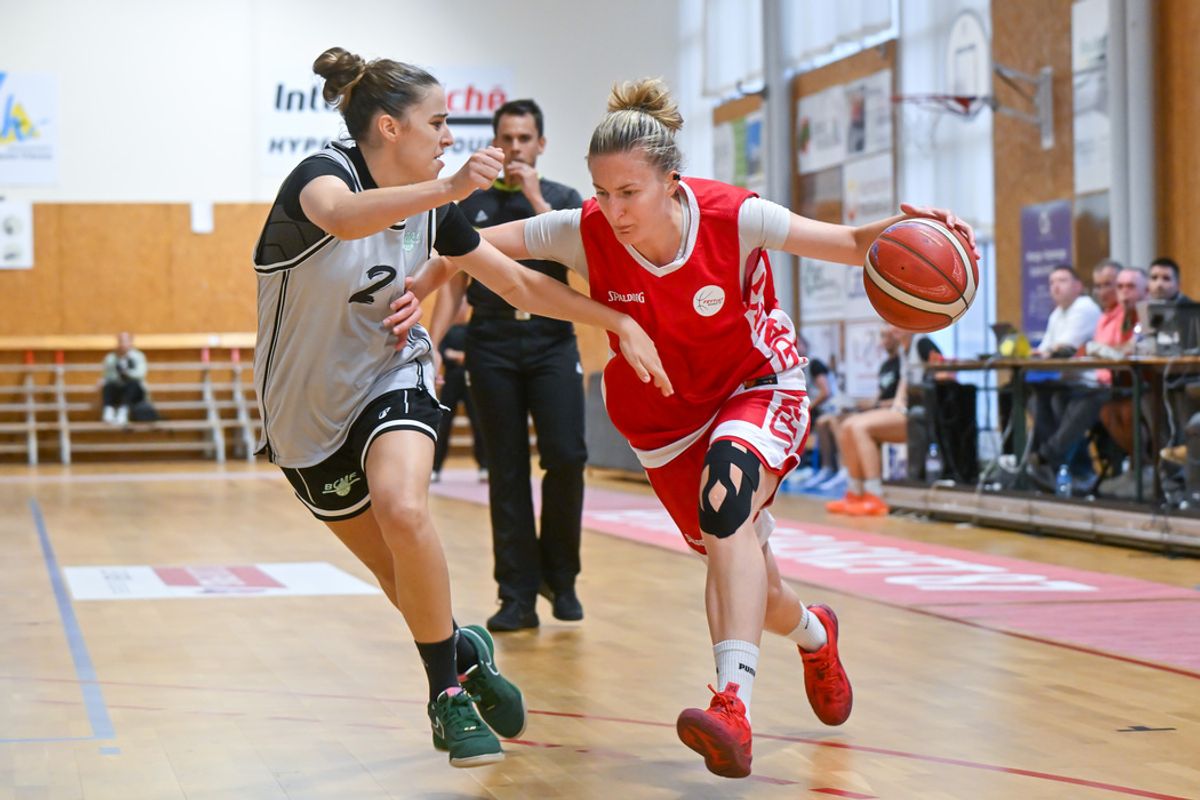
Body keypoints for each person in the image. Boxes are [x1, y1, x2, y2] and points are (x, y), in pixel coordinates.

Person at [398, 78, 977, 778]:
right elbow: (480, 248)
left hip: (754, 385)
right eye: (601, 192)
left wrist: (923, 232)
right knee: (752, 584)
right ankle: (816, 635)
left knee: (726, 498)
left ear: (671, 183)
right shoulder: (584, 229)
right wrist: (417, 285)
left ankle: (732, 704)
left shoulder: (736, 216)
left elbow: (854, 243)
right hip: (662, 421)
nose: (612, 210)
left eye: (628, 193)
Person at [253, 48, 669, 769]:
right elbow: (346, 220)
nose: (450, 136)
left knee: (405, 509)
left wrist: (617, 321)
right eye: (438, 122)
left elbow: (521, 286)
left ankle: (446, 696)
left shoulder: (434, 208)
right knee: (397, 577)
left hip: (391, 375)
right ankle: (464, 649)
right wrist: (445, 189)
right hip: (304, 418)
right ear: (388, 126)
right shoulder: (323, 177)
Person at [431, 99, 588, 632]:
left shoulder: (564, 201)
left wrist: (535, 197)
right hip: (492, 344)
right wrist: (430, 343)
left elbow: (580, 264)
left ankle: (560, 578)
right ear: (496, 143)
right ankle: (516, 594)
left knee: (567, 456)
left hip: (551, 343)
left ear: (541, 144)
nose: (515, 147)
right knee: (506, 468)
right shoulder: (470, 203)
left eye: (525, 139)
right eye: (507, 139)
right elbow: (452, 282)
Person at [824, 325, 941, 516]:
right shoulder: (905, 351)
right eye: (889, 323)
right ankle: (855, 491)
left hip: (922, 414)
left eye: (898, 323)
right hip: (904, 411)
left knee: (860, 427)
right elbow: (903, 387)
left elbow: (945, 372)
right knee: (847, 426)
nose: (892, 327)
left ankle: (874, 494)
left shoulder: (922, 342)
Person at [1023, 265, 1102, 487]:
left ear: (1078, 286)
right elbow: (1047, 349)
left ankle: (1048, 459)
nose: (1055, 287)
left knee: (1057, 402)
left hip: (1092, 383)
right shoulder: (1057, 313)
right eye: (1051, 282)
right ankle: (1064, 468)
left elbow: (1063, 348)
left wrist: (1045, 351)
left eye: (1062, 281)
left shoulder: (1084, 307)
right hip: (1069, 381)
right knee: (1037, 399)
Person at [430, 295, 486, 483]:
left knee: (478, 423)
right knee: (444, 425)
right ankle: (435, 468)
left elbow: (479, 353)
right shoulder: (447, 331)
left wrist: (462, 355)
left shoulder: (472, 330)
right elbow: (443, 352)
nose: (461, 310)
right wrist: (455, 355)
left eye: (463, 306)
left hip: (471, 382)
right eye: (458, 306)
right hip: (451, 382)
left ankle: (484, 466)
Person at [100, 331, 148, 425]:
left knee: (132, 384)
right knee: (107, 385)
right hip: (117, 388)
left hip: (134, 391)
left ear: (131, 342)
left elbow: (140, 374)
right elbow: (107, 375)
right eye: (121, 341)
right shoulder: (111, 358)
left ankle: (123, 412)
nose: (123, 344)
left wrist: (127, 373)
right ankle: (108, 411)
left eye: (125, 341)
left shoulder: (138, 356)